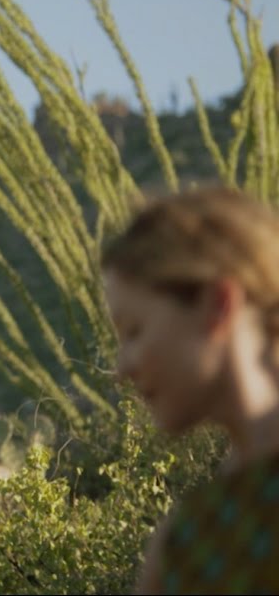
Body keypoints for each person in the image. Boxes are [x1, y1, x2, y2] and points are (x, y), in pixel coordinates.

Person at [101, 187, 279, 594]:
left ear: (218, 305)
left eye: (134, 331)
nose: (121, 370)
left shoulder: (194, 536)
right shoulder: (188, 536)